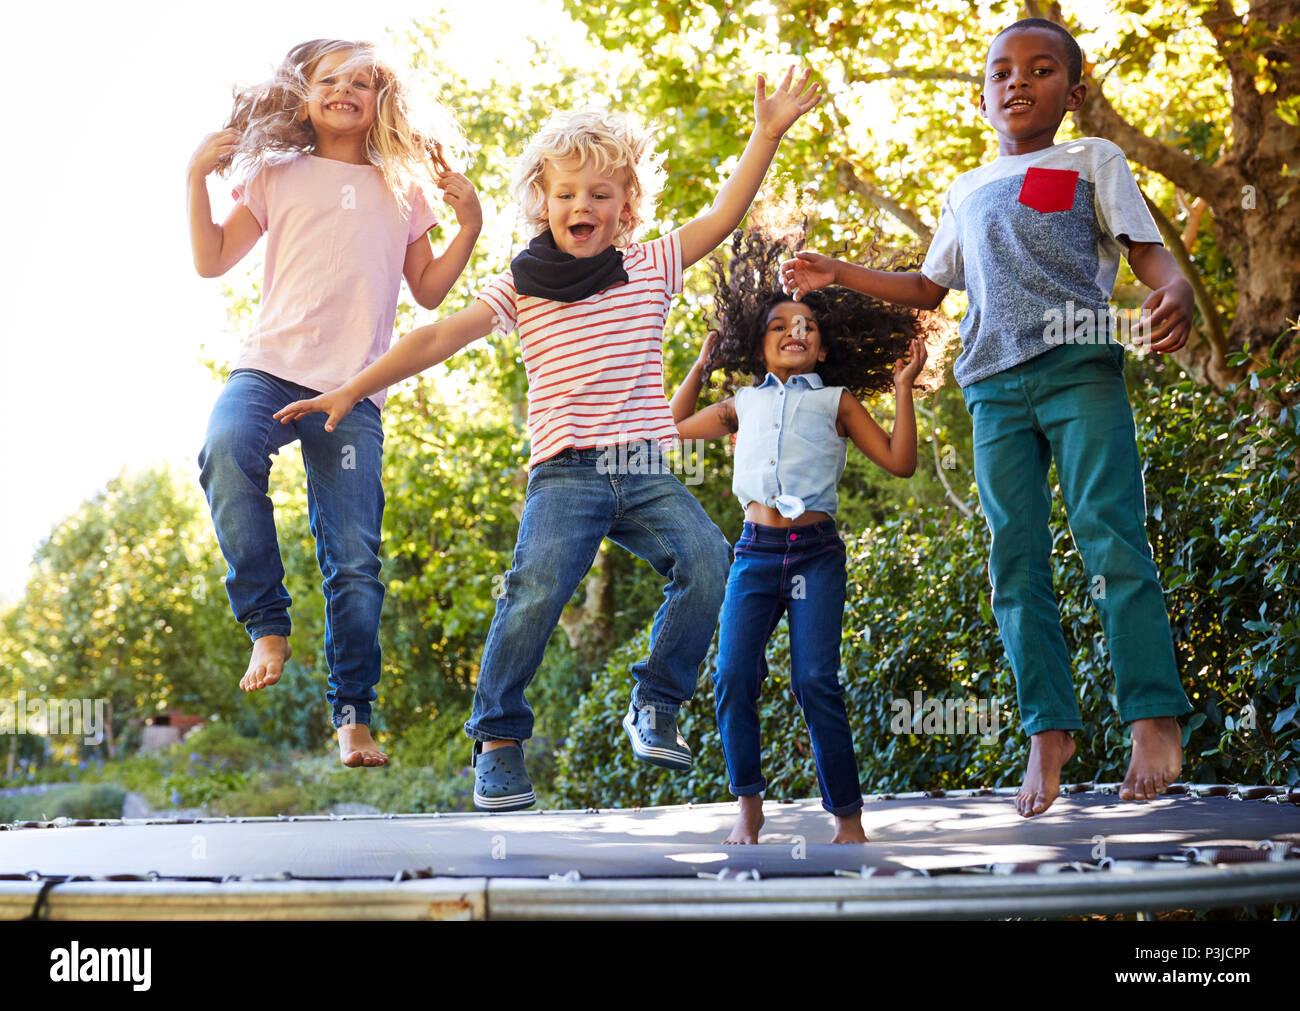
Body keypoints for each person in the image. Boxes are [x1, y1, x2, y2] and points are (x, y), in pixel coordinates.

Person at [274, 68, 822, 810]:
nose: (581, 206)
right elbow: (439, 332)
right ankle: (498, 740)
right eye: (565, 193)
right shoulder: (521, 284)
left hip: (642, 467)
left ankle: (655, 703)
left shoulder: (651, 263)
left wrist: (765, 133)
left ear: (626, 205)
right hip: (565, 472)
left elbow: (723, 215)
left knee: (706, 560)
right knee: (532, 592)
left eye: (599, 194)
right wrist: (352, 386)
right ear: (542, 200)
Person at [782, 18, 1193, 817]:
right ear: (983, 97)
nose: (1017, 82)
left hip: (1079, 373)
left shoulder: (1092, 161)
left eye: (1040, 70)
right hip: (992, 391)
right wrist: (840, 272)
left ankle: (1152, 714)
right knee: (1015, 558)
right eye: (1001, 71)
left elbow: (1149, 253)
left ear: (1072, 94)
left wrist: (1172, 288)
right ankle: (1049, 730)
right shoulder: (966, 189)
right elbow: (930, 288)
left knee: (1111, 534)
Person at [189, 39, 482, 766]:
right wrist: (195, 173)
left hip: (352, 389)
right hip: (269, 368)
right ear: (305, 93)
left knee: (353, 560)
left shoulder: (402, 187)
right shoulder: (276, 174)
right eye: (330, 80)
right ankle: (267, 622)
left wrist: (470, 224)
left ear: (382, 99)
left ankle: (353, 716)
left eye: (362, 81)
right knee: (225, 448)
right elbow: (211, 259)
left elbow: (430, 290)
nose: (345, 90)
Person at [672, 229, 930, 843]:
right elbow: (676, 424)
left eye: (808, 326)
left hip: (815, 558)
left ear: (822, 346)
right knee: (734, 675)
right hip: (755, 557)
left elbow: (900, 463)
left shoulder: (838, 401)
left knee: (815, 679)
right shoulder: (741, 404)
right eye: (781, 325)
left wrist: (900, 391)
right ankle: (748, 804)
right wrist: (703, 362)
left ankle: (847, 817)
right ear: (757, 344)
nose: (796, 332)